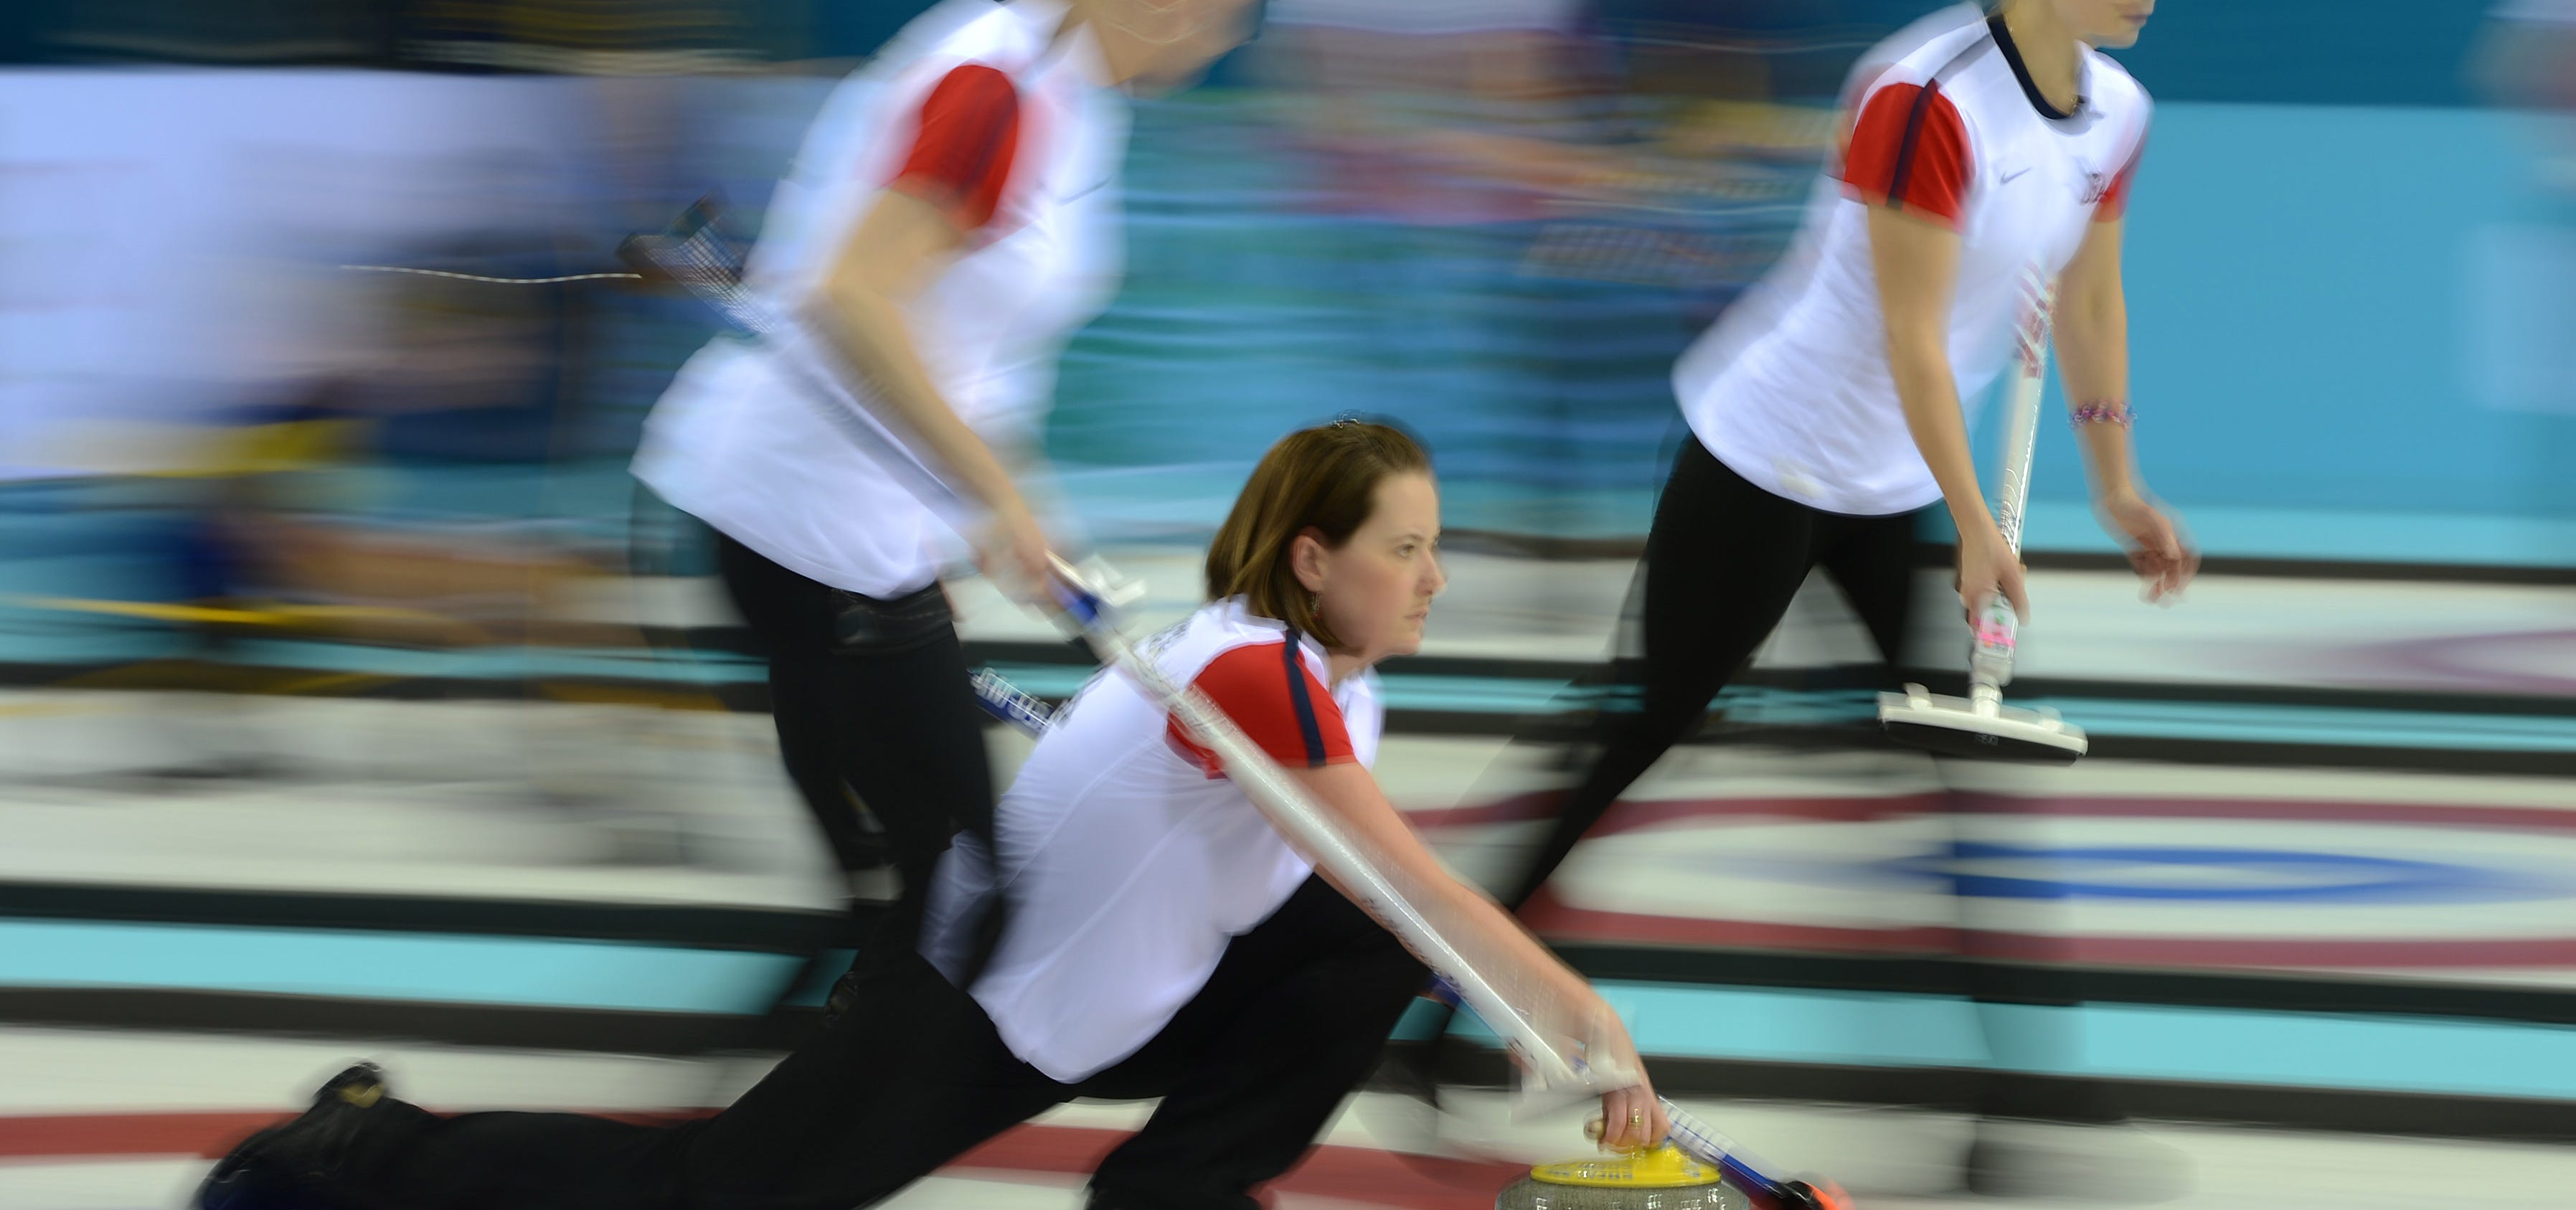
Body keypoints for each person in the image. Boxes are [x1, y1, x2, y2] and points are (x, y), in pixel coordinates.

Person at [197, 420, 1669, 1210]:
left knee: (1363, 946)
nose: (1434, 576)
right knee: (702, 1195)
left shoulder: (1336, 685)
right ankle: (362, 1150)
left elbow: (1371, 904)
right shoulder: (1251, 672)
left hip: (1120, 999)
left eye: (1435, 546)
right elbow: (1409, 879)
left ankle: (1177, 1190)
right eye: (1406, 547)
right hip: (979, 1004)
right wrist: (1580, 1015)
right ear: (1311, 558)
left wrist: (1507, 994)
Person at [1487, 0, 2198, 1189]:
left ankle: (2015, 1108)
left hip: (1891, 483)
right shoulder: (1923, 100)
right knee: (1638, 737)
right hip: (1766, 460)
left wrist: (2117, 481)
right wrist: (1978, 522)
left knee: (1964, 774)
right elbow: (1911, 338)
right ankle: (1430, 990)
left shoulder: (2116, 112)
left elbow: (2092, 297)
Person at [626, 0, 1299, 979]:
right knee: (962, 894)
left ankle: (854, 1015)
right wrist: (996, 499)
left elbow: (960, 343)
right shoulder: (1000, 86)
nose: (1239, 27)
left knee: (924, 886)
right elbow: (854, 297)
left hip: (840, 526)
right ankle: (850, 1057)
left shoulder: (1069, 90)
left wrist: (999, 503)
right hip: (804, 529)